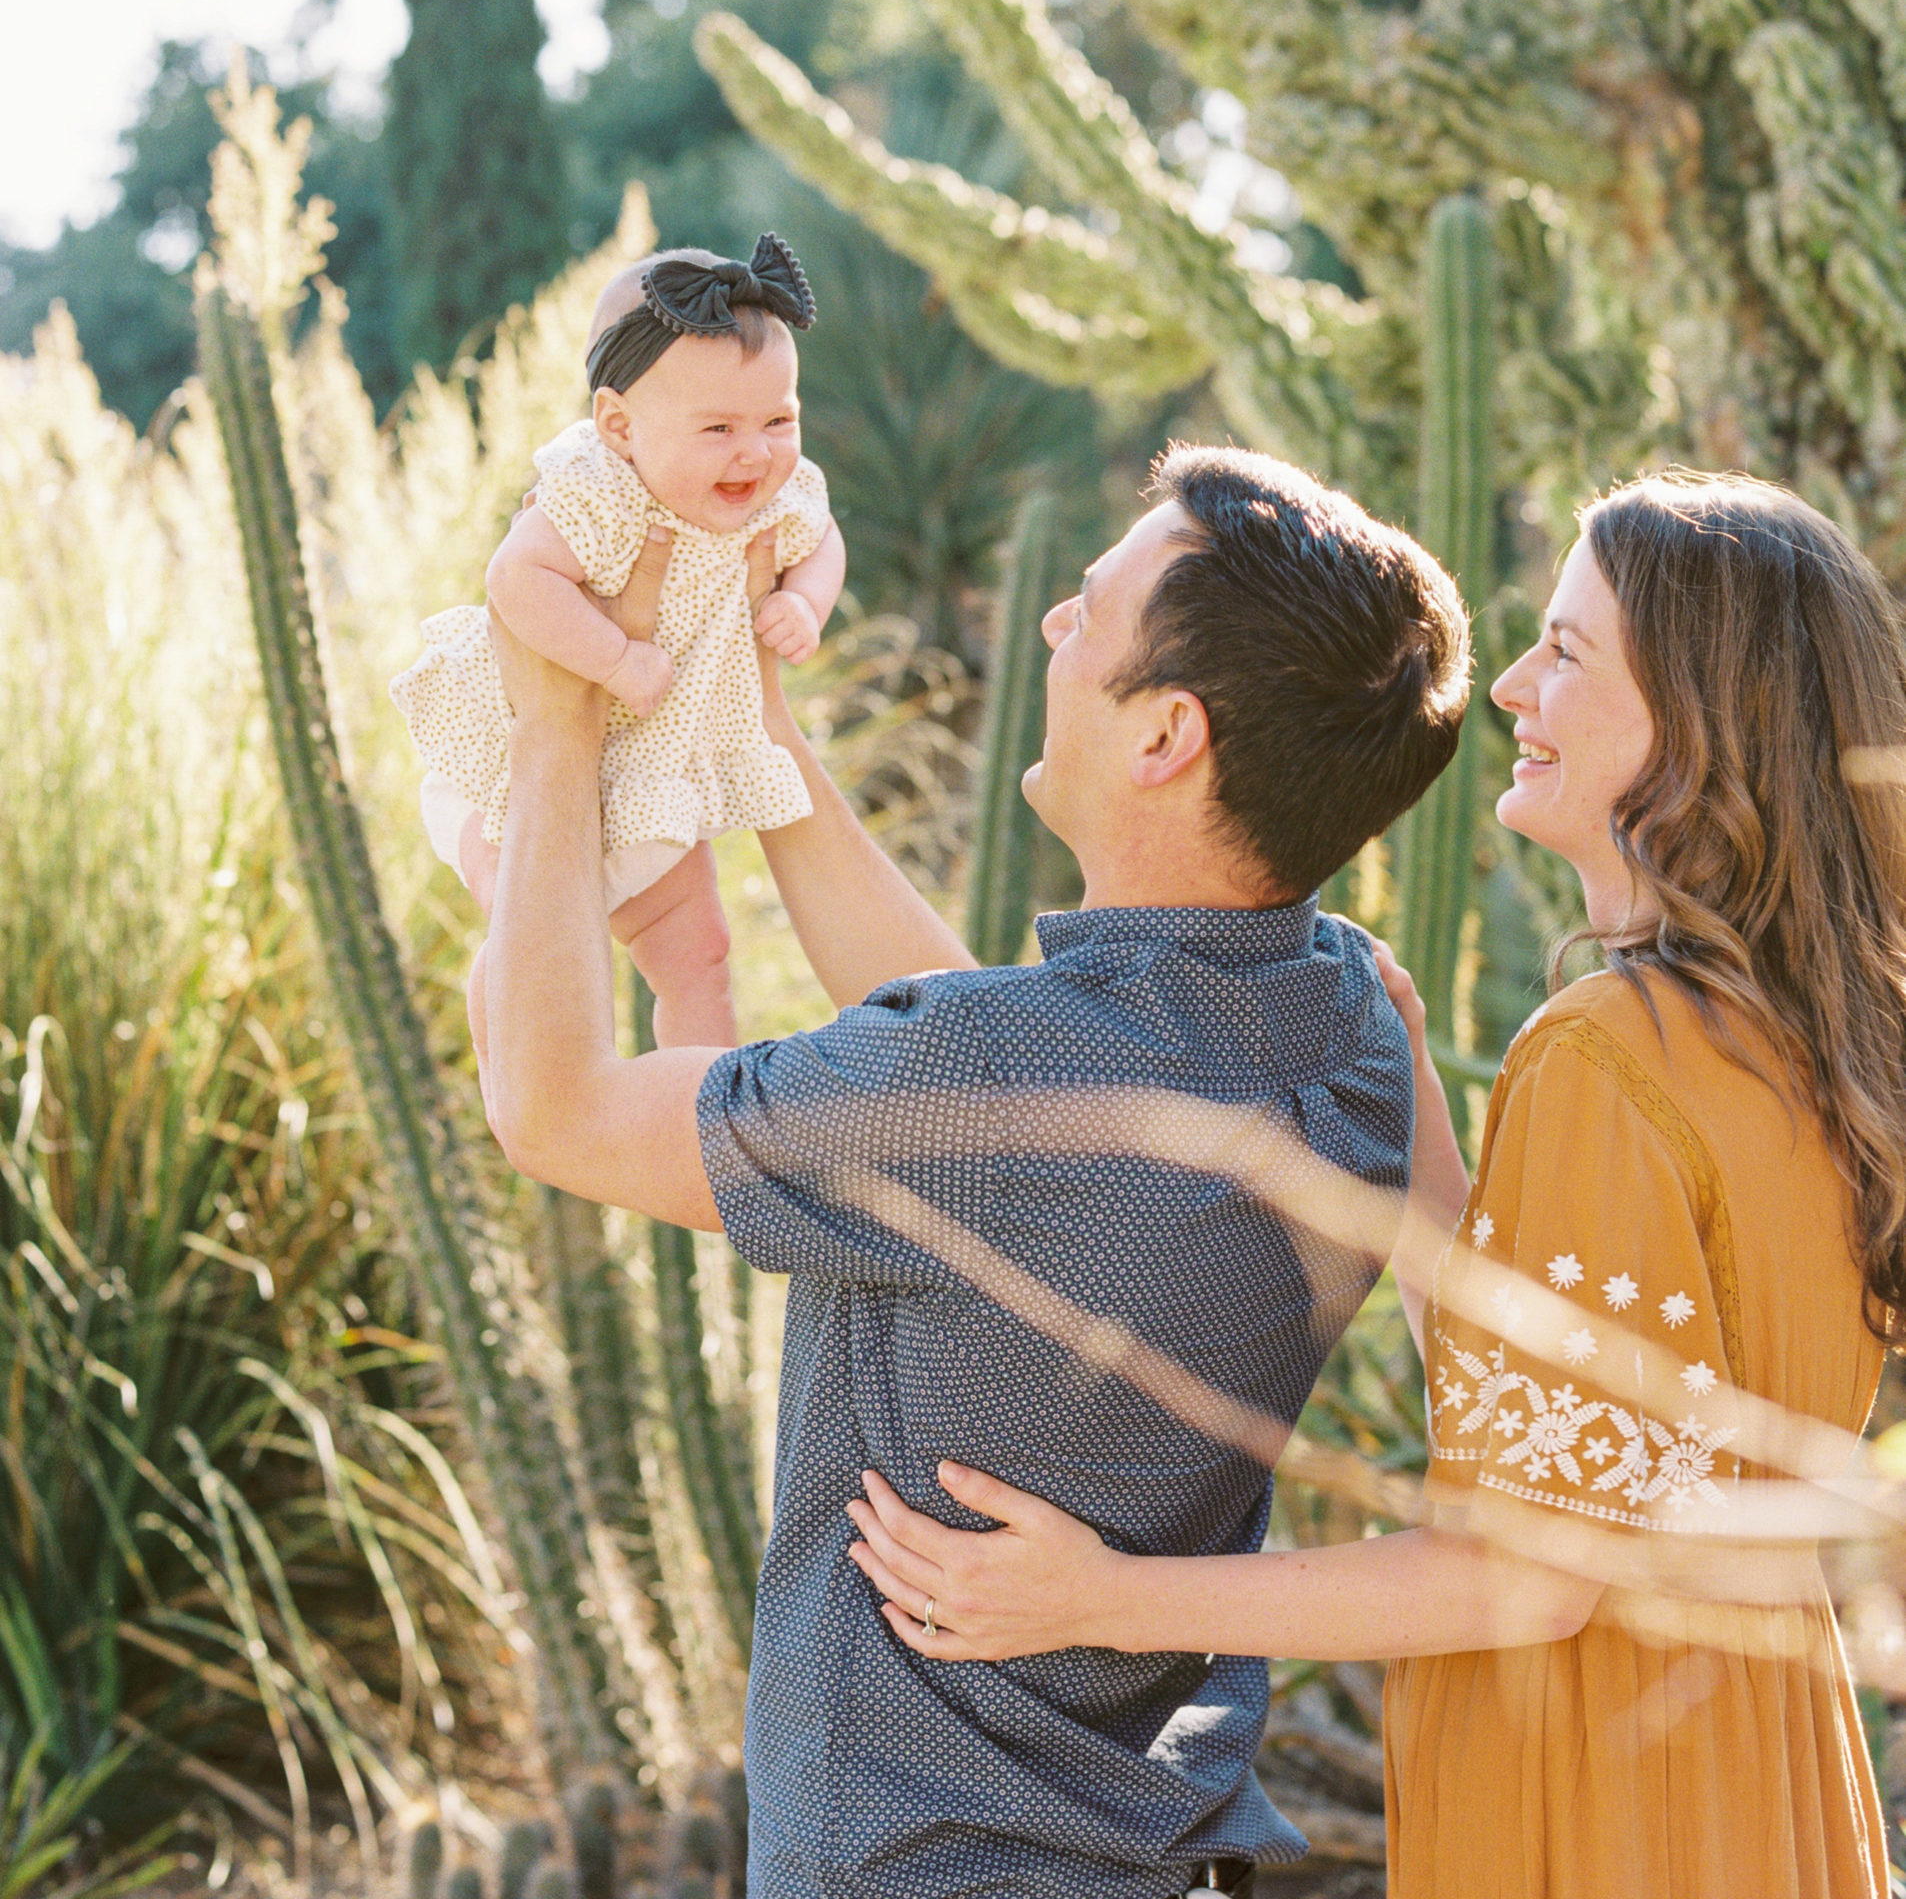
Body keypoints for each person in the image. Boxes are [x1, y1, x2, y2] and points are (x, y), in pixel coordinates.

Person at [845, 469, 1899, 1899]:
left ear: (1698, 728)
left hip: (1601, 1805)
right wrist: (1417, 1130)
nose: (1515, 684)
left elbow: (1525, 1574)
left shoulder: (1609, 1051)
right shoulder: (1797, 1040)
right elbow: (1571, 1433)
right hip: (1753, 1773)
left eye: (1570, 653)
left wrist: (1101, 1598)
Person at [478, 445, 1471, 1899]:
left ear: (1165, 738)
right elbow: (993, 1100)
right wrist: (755, 730)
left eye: (1088, 611)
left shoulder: (987, 1083)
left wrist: (555, 724)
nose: (1055, 633)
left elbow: (556, 1108)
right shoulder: (1349, 1025)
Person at [390, 235, 846, 1051]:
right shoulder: (598, 489)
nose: (757, 452)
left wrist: (806, 605)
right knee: (532, 936)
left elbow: (822, 536)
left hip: (652, 771)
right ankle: (520, 1078)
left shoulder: (776, 488)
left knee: (703, 951)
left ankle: (699, 1112)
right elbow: (514, 580)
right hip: (530, 771)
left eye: (780, 419)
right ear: (619, 425)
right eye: (718, 428)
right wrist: (615, 659)